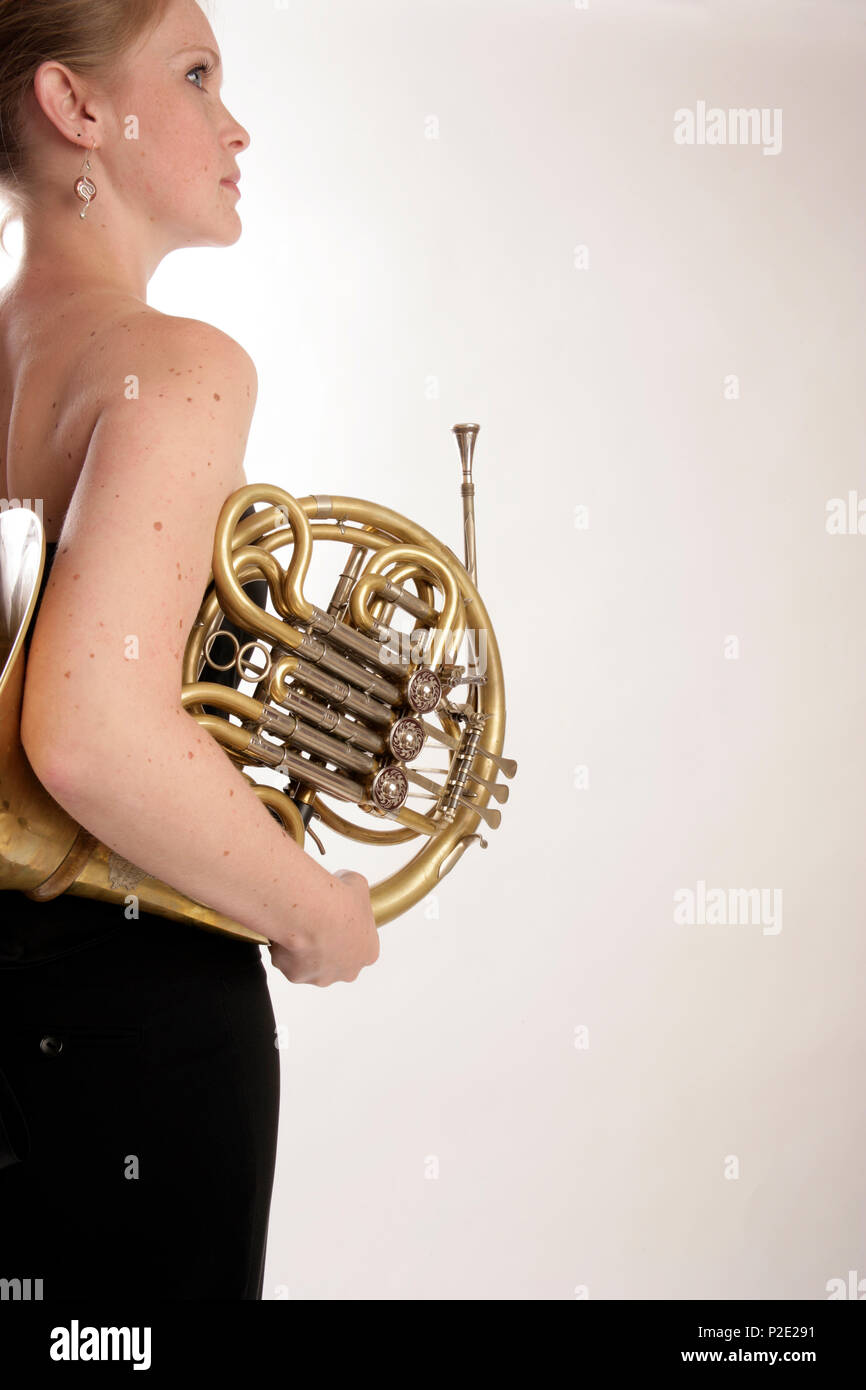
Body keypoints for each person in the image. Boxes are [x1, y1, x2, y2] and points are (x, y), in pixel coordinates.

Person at [0, 0, 380, 1301]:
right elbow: (92, 730)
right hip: (124, 1023)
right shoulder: (180, 365)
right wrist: (314, 906)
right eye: (197, 73)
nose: (237, 123)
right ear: (75, 107)